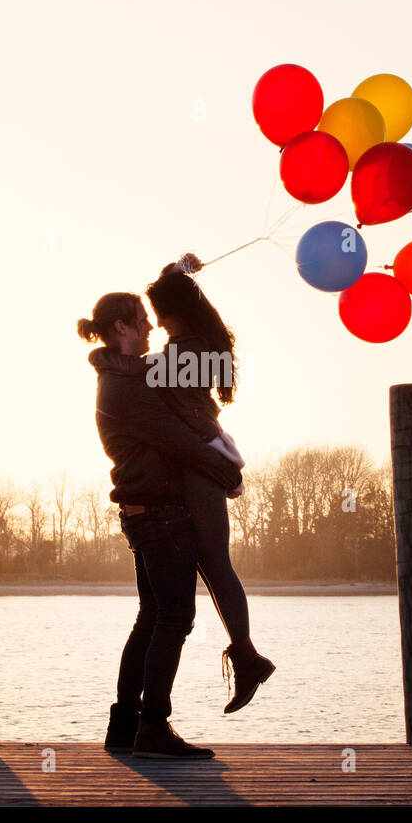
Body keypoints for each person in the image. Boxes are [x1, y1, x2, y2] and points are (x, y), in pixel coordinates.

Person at [93, 254, 276, 715]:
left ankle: (247, 656)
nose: (152, 325)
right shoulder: (193, 343)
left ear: (172, 313)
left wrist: (104, 358)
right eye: (143, 321)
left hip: (198, 465)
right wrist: (176, 272)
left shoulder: (182, 354)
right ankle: (245, 657)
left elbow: (140, 372)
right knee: (199, 578)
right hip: (195, 464)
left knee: (213, 565)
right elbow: (145, 367)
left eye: (155, 316)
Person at [78, 291, 242, 759]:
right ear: (121, 328)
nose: (151, 328)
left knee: (151, 617)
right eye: (142, 321)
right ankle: (152, 728)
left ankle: (124, 725)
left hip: (146, 514)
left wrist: (180, 279)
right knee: (175, 616)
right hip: (160, 516)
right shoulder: (123, 388)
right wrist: (226, 470)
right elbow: (180, 441)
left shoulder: (127, 376)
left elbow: (182, 367)